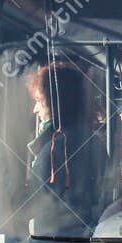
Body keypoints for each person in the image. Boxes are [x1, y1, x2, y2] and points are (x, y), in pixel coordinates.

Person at [25, 61, 103, 233]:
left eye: (39, 100)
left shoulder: (56, 150)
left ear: (58, 102)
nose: (35, 109)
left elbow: (42, 210)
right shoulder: (92, 141)